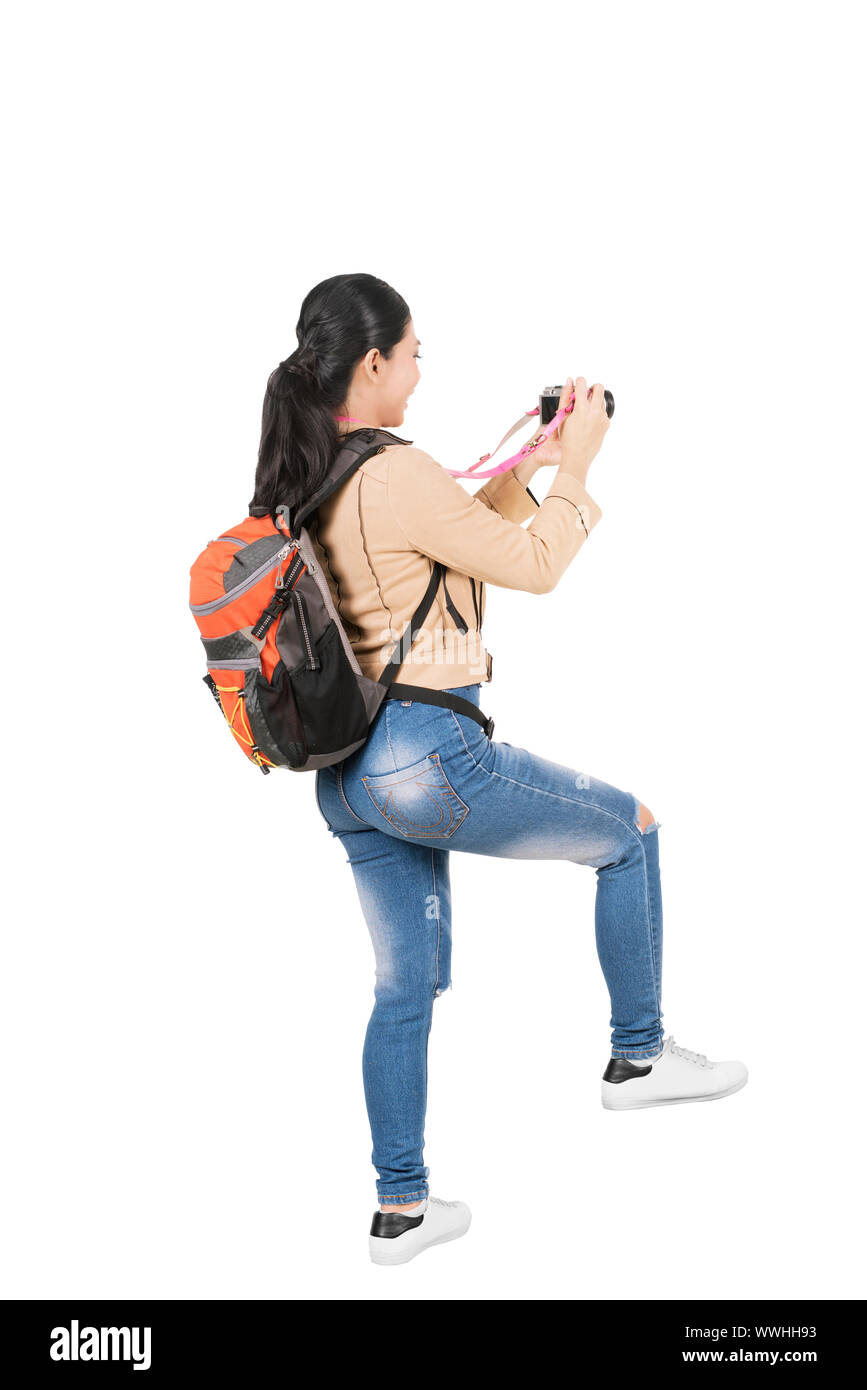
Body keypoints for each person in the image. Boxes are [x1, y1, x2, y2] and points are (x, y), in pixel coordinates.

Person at [249, 273, 748, 1267]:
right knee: (631, 831)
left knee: (401, 991)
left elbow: (455, 546)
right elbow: (529, 566)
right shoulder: (396, 469)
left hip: (347, 780)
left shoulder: (317, 475)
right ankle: (638, 1054)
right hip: (426, 759)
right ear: (375, 360)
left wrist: (538, 455)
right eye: (416, 351)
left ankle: (400, 1210)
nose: (424, 368)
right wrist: (580, 470)